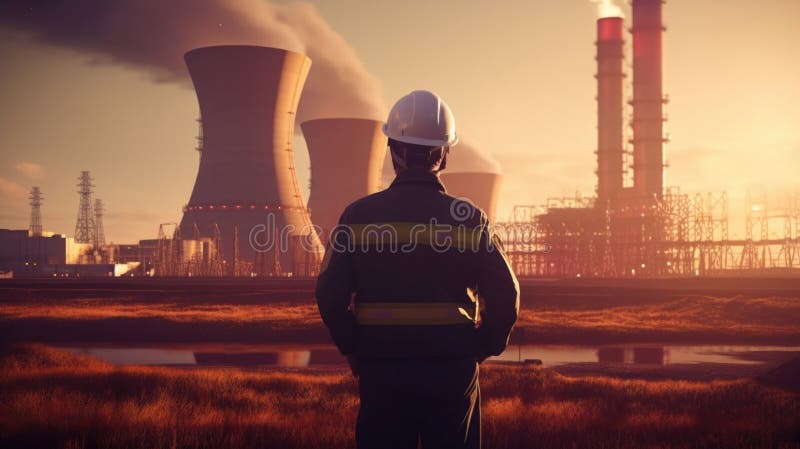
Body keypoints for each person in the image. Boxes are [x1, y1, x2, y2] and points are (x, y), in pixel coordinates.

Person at [316, 90, 519, 449]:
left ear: (394, 151)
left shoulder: (358, 217)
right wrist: (480, 348)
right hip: (452, 368)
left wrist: (354, 347)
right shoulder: (470, 220)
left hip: (382, 368)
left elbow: (329, 295)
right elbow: (507, 296)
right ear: (444, 154)